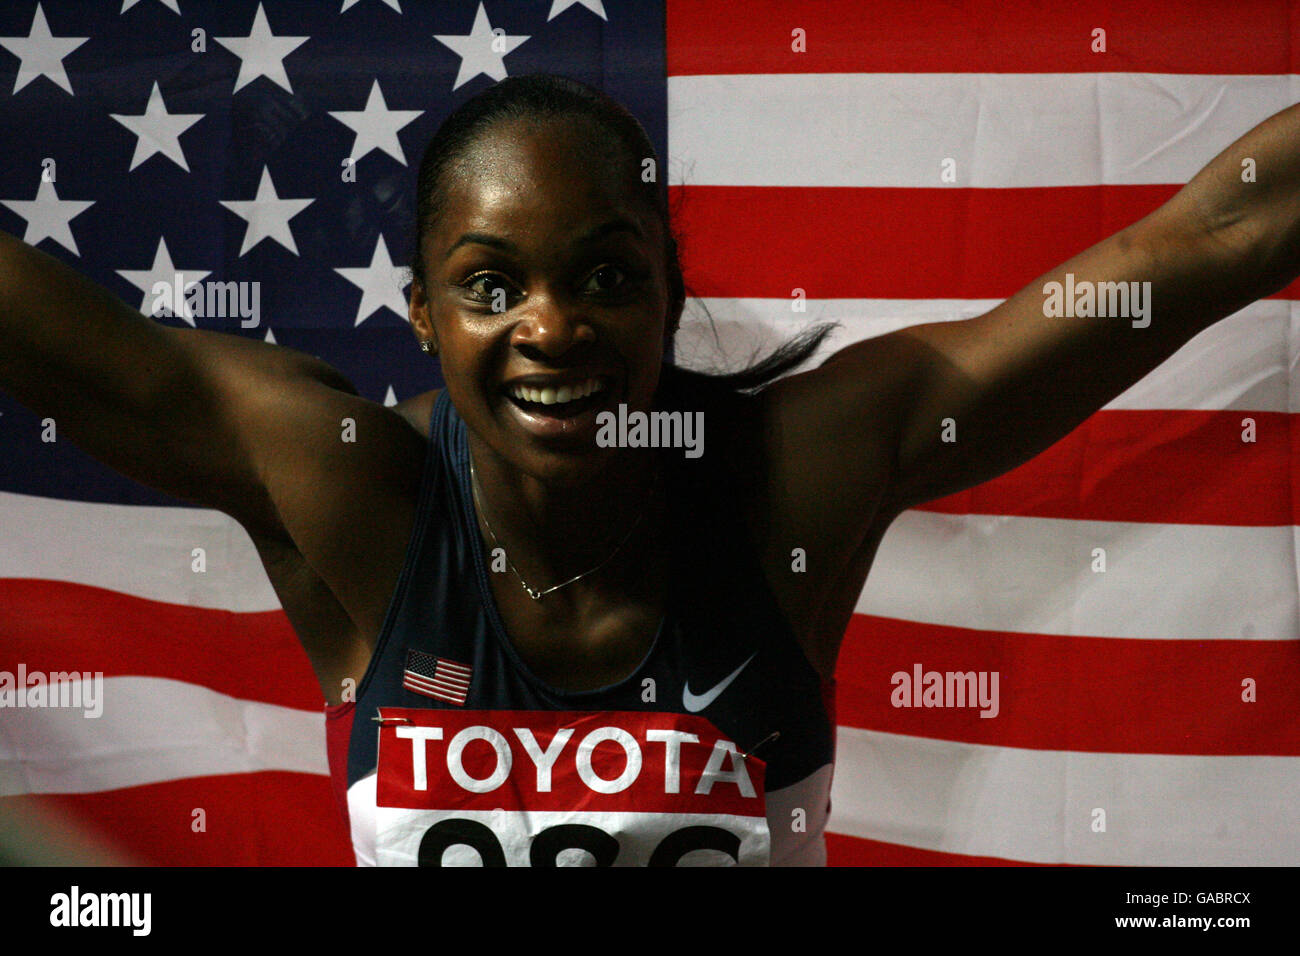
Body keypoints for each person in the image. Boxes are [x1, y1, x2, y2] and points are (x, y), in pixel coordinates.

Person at [1, 73, 1296, 866]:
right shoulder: (353, 491)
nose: (552, 327)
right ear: (423, 317)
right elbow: (64, 345)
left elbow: (1210, 236)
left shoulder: (795, 477)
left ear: (672, 297)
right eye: (491, 284)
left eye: (608, 276)